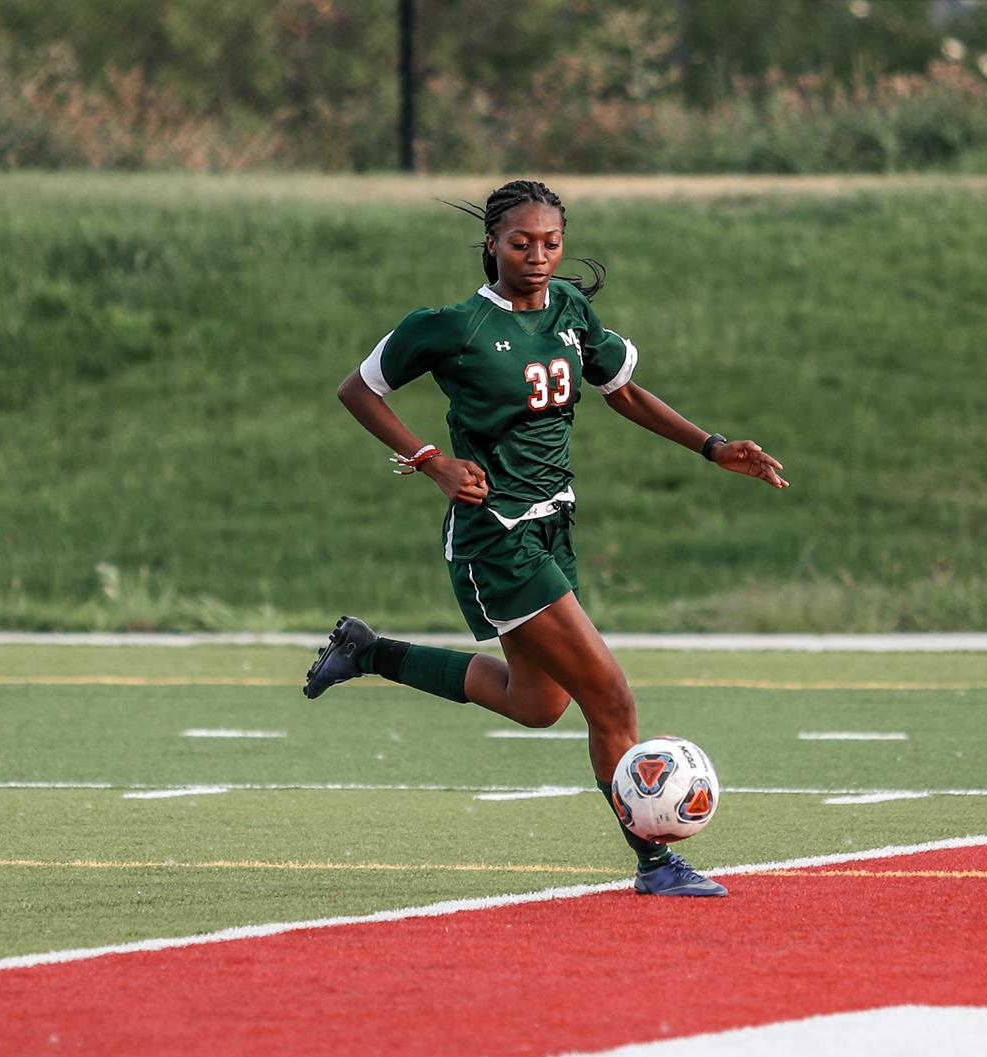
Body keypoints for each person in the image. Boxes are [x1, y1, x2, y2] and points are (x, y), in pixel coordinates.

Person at [303, 179, 787, 897]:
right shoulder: (451, 325)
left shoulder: (571, 310)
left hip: (553, 525)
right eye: (520, 242)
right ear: (491, 244)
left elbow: (622, 391)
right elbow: (357, 389)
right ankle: (656, 862)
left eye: (550, 243)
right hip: (497, 537)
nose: (536, 255)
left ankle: (370, 650)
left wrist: (712, 446)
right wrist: (432, 461)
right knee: (612, 699)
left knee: (538, 704)